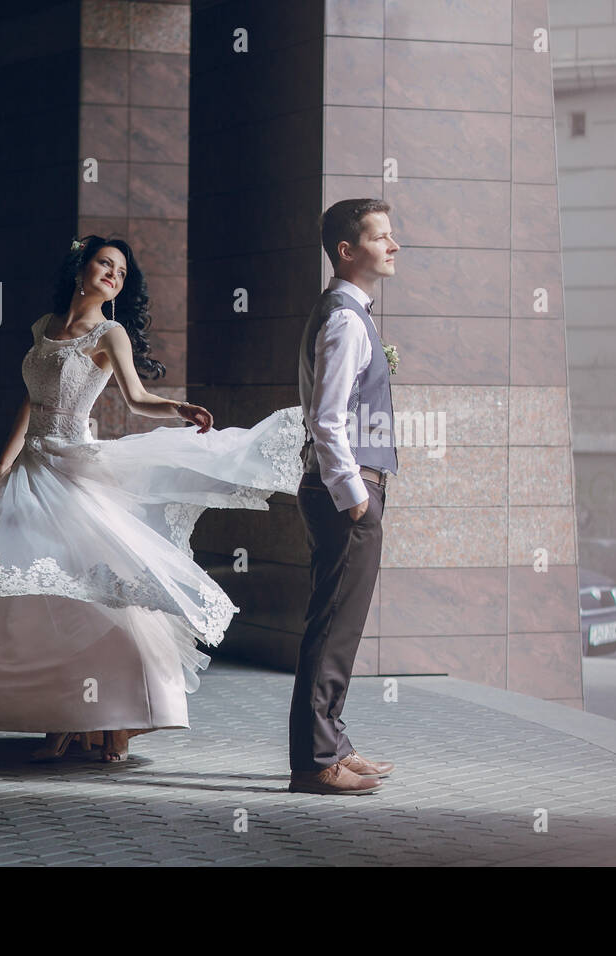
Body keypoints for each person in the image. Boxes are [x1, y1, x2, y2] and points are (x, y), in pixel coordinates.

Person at [0, 235, 305, 762]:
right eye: (106, 263)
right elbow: (30, 403)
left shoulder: (111, 332)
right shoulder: (43, 328)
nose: (114, 275)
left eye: (123, 272)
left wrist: (178, 407)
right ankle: (61, 717)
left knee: (93, 592)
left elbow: (137, 398)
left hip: (74, 469)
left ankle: (113, 717)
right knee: (25, 593)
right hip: (31, 470)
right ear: (82, 267)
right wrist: (5, 461)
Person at [289, 199, 400, 795]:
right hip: (344, 493)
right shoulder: (343, 319)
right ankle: (314, 762)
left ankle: (333, 741)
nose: (394, 246)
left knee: (339, 626)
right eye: (382, 237)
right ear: (346, 251)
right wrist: (355, 498)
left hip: (344, 490)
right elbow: (326, 418)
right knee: (332, 627)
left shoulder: (350, 313)